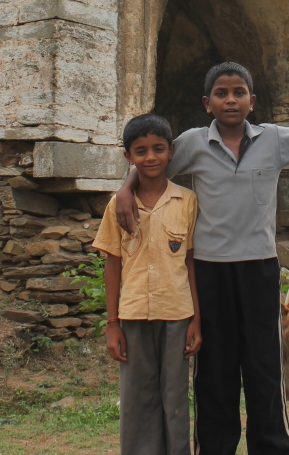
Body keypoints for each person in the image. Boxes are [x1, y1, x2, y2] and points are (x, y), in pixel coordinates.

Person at [115, 62, 289, 455]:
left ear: (252, 100)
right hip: (211, 271)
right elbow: (152, 167)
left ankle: (272, 447)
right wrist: (126, 189)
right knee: (215, 370)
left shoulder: (274, 139)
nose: (231, 99)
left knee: (265, 368)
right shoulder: (193, 143)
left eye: (238, 92)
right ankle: (215, 448)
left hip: (260, 269)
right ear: (207, 103)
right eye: (221, 93)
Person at [94, 114, 201, 455]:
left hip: (177, 314)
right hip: (134, 315)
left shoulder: (187, 201)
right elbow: (113, 263)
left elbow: (190, 262)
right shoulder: (118, 205)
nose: (151, 157)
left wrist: (196, 319)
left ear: (171, 151)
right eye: (141, 151)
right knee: (137, 399)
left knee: (174, 398)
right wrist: (112, 324)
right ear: (128, 157)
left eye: (158, 149)